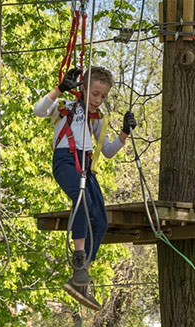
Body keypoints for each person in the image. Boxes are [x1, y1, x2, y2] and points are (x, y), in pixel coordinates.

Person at [33, 66, 136, 310]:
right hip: (65, 161)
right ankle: (78, 257)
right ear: (82, 89)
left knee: (100, 219)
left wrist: (124, 134)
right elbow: (38, 111)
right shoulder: (65, 106)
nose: (98, 101)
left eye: (103, 97)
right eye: (95, 94)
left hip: (86, 166)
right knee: (81, 201)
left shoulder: (97, 119)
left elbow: (107, 151)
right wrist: (60, 89)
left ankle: (81, 279)